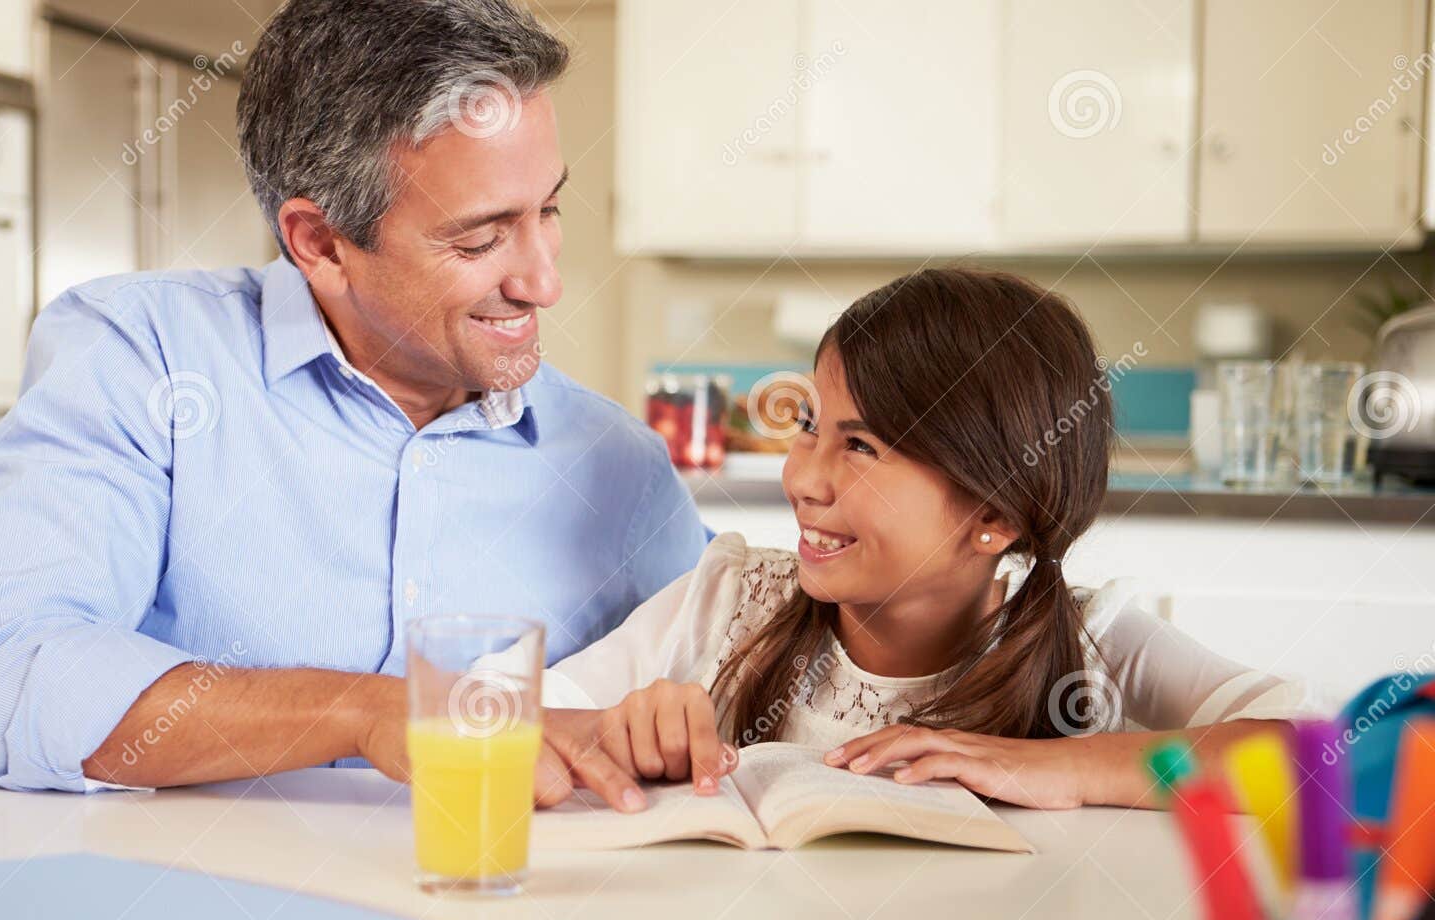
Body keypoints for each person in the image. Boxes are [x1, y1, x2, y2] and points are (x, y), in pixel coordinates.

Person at [0, 0, 707, 808]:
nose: (544, 282)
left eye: (549, 211)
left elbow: (758, 660)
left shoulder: (618, 464)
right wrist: (365, 711)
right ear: (319, 243)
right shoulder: (143, 357)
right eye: (479, 240)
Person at [543, 268, 1314, 809]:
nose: (804, 478)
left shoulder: (1092, 647)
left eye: (861, 447)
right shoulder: (725, 601)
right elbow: (501, 717)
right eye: (812, 426)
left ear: (994, 517)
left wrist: (1069, 767)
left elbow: (1321, 758)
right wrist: (614, 730)